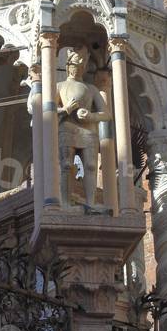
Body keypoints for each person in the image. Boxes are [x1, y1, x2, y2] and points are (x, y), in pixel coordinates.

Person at [57, 47, 110, 210]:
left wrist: (90, 116)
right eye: (73, 65)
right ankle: (65, 203)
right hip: (67, 128)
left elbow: (106, 114)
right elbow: (48, 110)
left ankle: (90, 203)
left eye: (80, 66)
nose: (76, 69)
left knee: (91, 166)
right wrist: (65, 109)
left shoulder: (91, 89)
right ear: (68, 66)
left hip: (88, 131)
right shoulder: (60, 86)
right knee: (66, 165)